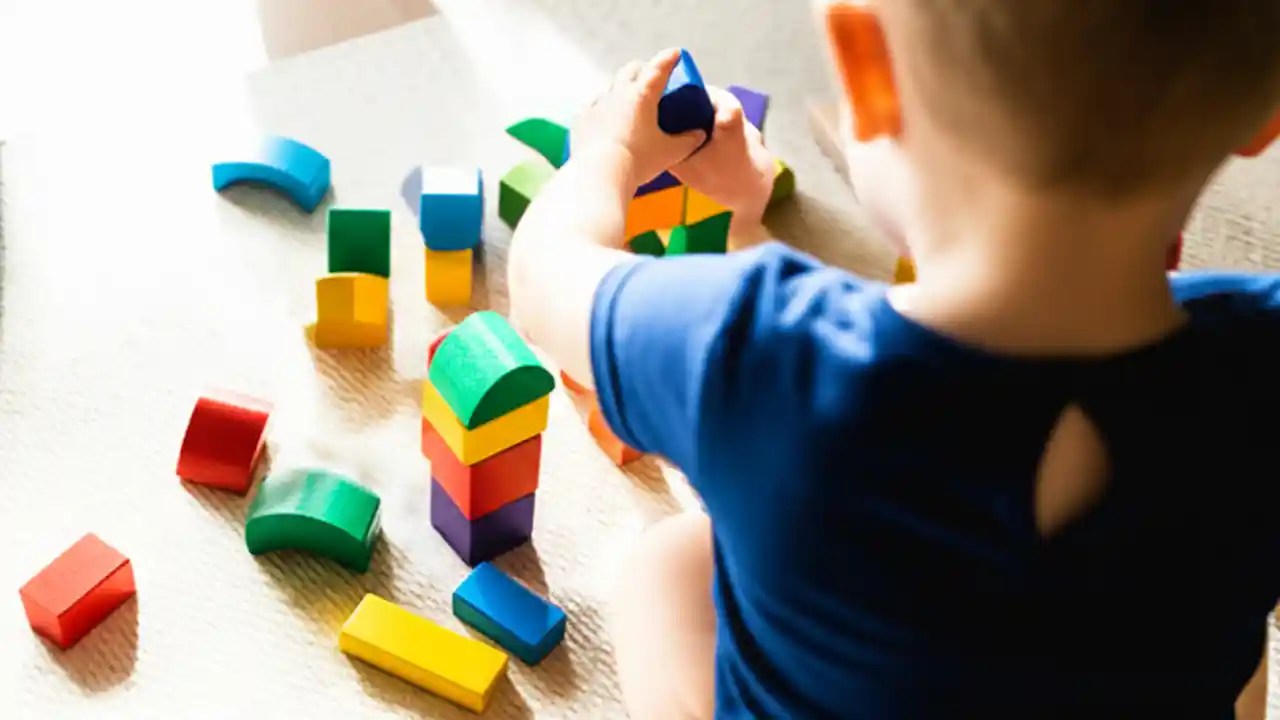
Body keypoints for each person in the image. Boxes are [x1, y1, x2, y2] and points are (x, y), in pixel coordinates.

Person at [506, 0, 1280, 716]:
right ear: (1264, 117)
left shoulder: (753, 349)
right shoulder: (1259, 358)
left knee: (667, 572)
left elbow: (543, 276)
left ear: (868, 72)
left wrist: (605, 149)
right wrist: (744, 223)